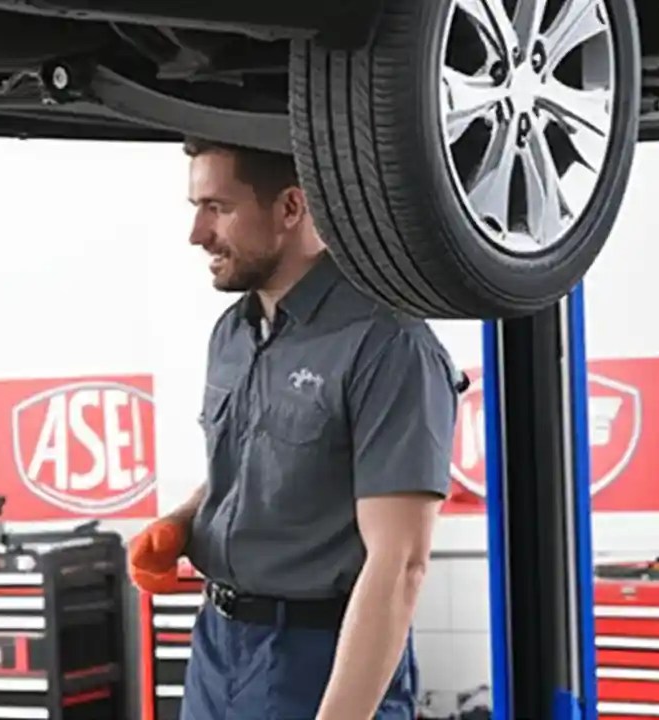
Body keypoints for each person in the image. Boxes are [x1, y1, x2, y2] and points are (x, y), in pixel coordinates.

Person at [128, 139, 460, 720]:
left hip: (321, 654)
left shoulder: (389, 343)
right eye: (196, 207)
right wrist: (183, 523)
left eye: (218, 208)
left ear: (289, 208)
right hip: (219, 648)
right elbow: (256, 461)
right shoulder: (232, 333)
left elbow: (401, 562)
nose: (197, 234)